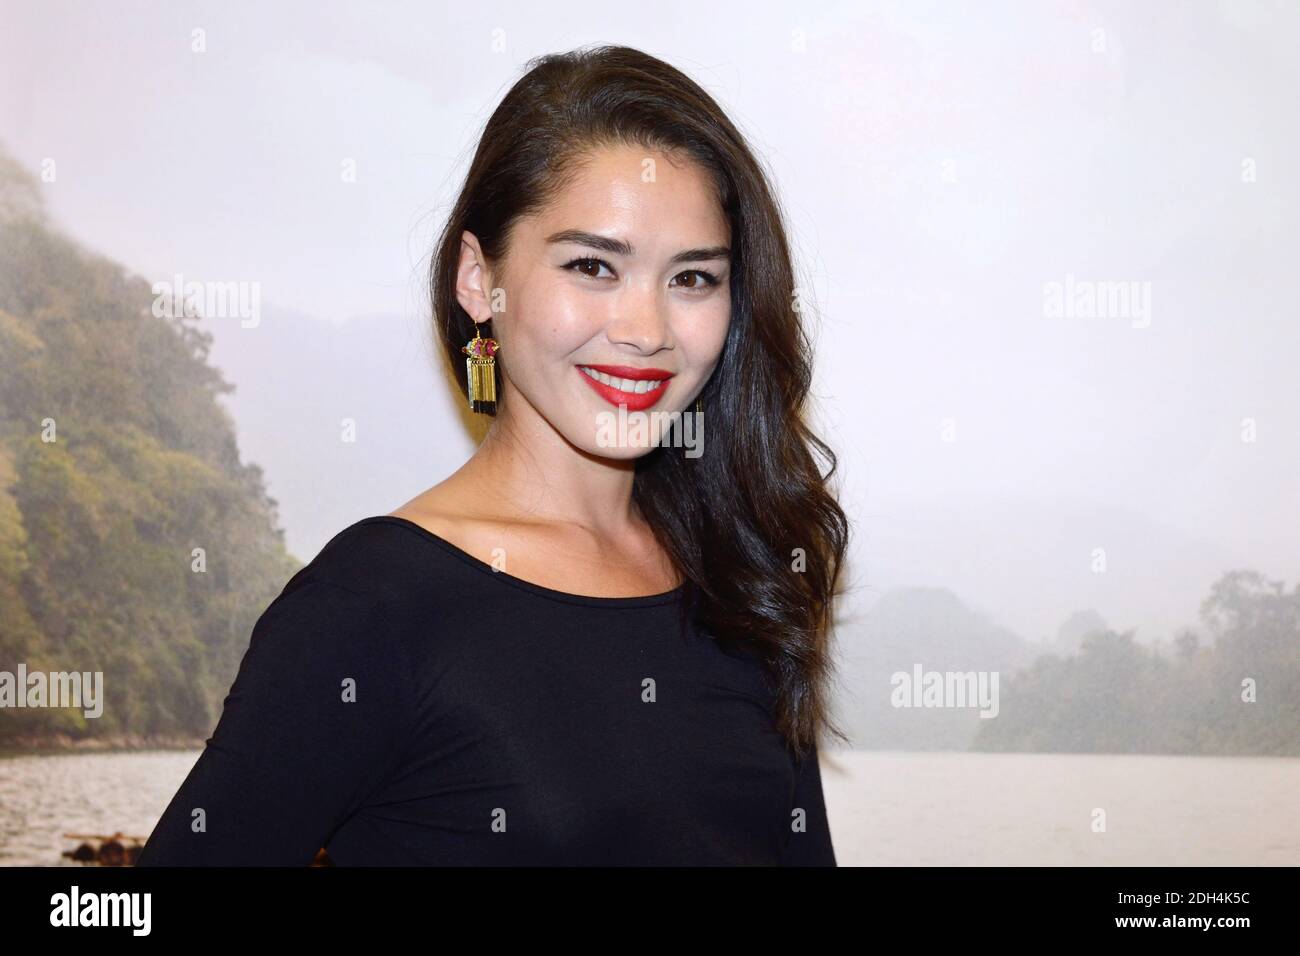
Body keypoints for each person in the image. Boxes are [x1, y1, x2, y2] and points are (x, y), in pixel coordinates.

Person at [136, 43, 849, 867]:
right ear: (480, 279)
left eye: (692, 279)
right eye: (592, 266)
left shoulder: (744, 572)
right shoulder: (373, 606)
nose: (647, 330)